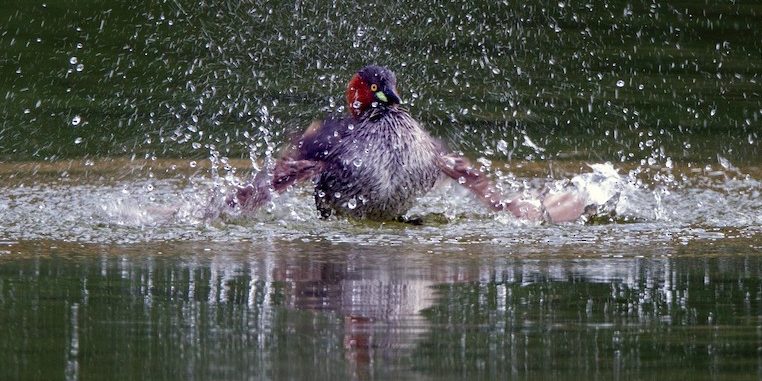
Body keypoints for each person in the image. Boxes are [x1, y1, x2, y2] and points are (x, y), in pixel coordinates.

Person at [230, 65, 588, 224]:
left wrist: (515, 209)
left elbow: (463, 171)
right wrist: (236, 205)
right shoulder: (336, 144)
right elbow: (283, 177)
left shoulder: (424, 146)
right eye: (377, 89)